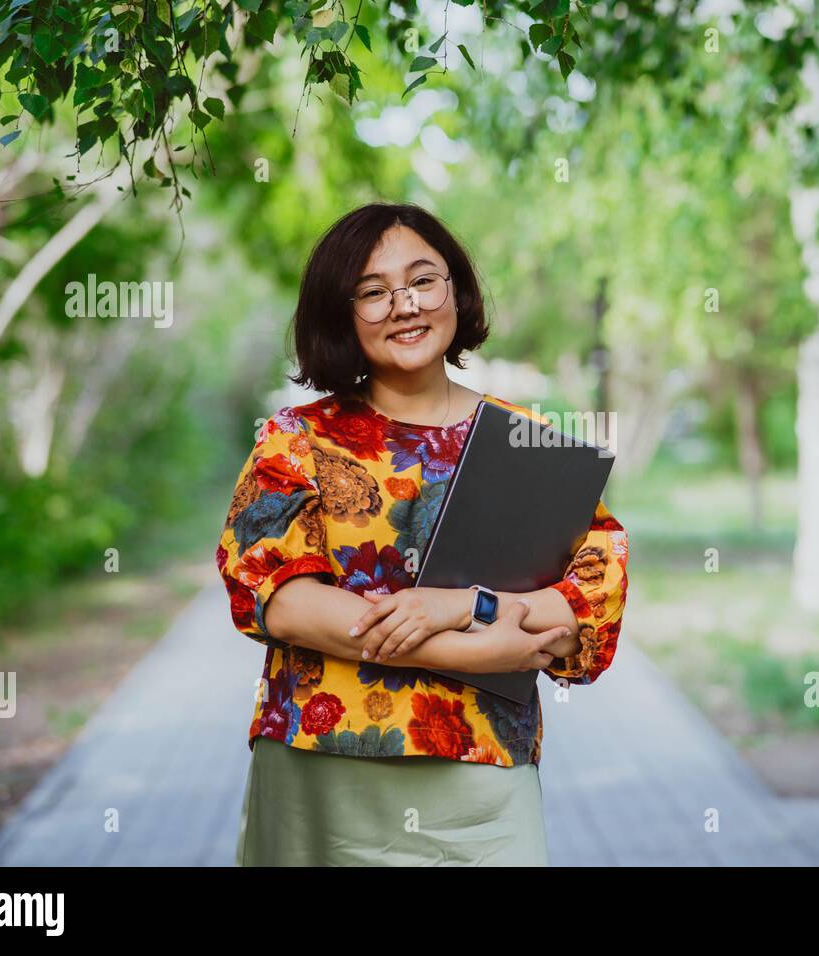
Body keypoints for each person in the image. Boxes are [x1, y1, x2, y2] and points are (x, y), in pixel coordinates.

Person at [216, 201, 629, 866]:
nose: (403, 305)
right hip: (322, 768)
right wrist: (471, 652)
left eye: (421, 281)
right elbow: (284, 601)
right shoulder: (295, 439)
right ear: (340, 313)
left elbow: (587, 598)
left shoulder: (523, 441)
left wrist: (467, 604)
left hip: (482, 774)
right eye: (373, 292)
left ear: (456, 292)